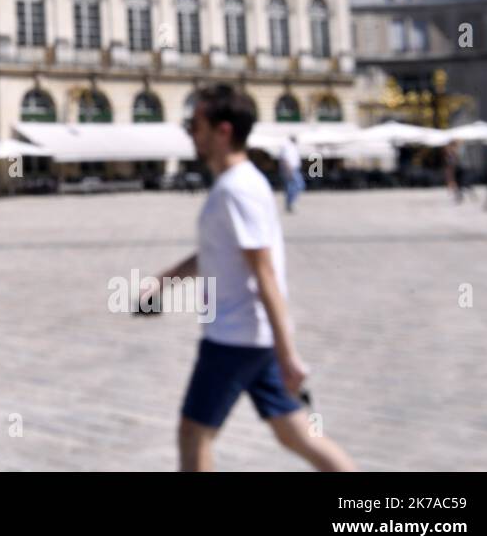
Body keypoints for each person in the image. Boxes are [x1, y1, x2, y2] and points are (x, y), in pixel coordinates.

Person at [151, 84, 356, 471]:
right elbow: (218, 252)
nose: (190, 133)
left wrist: (288, 353)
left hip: (234, 338)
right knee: (294, 432)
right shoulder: (237, 184)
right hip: (251, 338)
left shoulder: (237, 190)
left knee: (194, 433)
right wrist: (165, 280)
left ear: (223, 130)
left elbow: (264, 274)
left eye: (195, 124)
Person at [279, 134, 304, 212]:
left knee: (292, 186)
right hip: (291, 169)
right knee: (298, 185)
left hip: (293, 169)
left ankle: (290, 204)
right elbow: (285, 159)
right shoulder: (288, 147)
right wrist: (288, 170)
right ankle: (290, 203)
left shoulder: (292, 147)